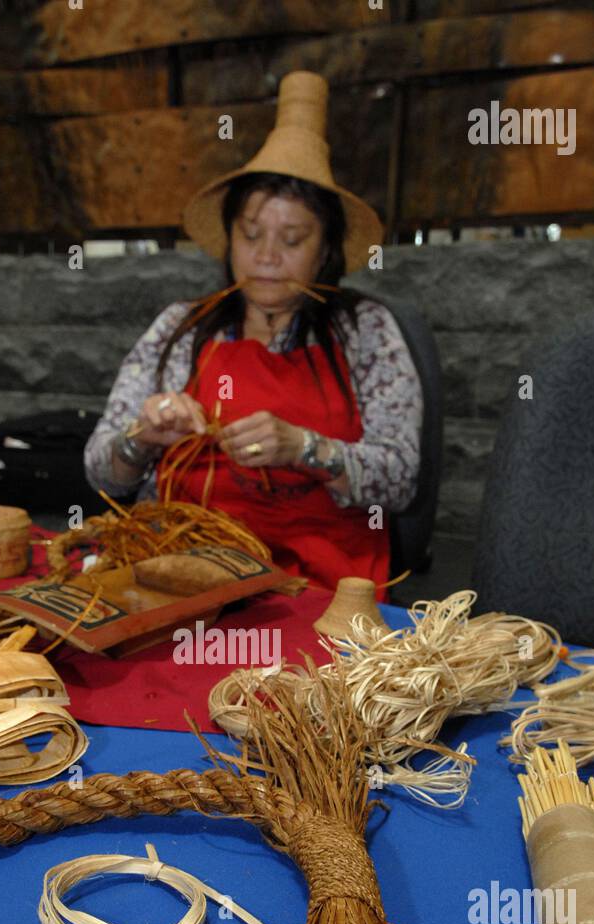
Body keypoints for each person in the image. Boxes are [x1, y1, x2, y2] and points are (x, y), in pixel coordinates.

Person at [85, 71, 423, 591]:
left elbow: (399, 481)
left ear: (326, 248)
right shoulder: (183, 328)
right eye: (250, 234)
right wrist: (142, 437)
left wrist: (305, 449)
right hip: (179, 576)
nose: (266, 257)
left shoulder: (366, 332)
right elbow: (101, 474)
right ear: (229, 239)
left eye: (292, 239)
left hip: (317, 592)